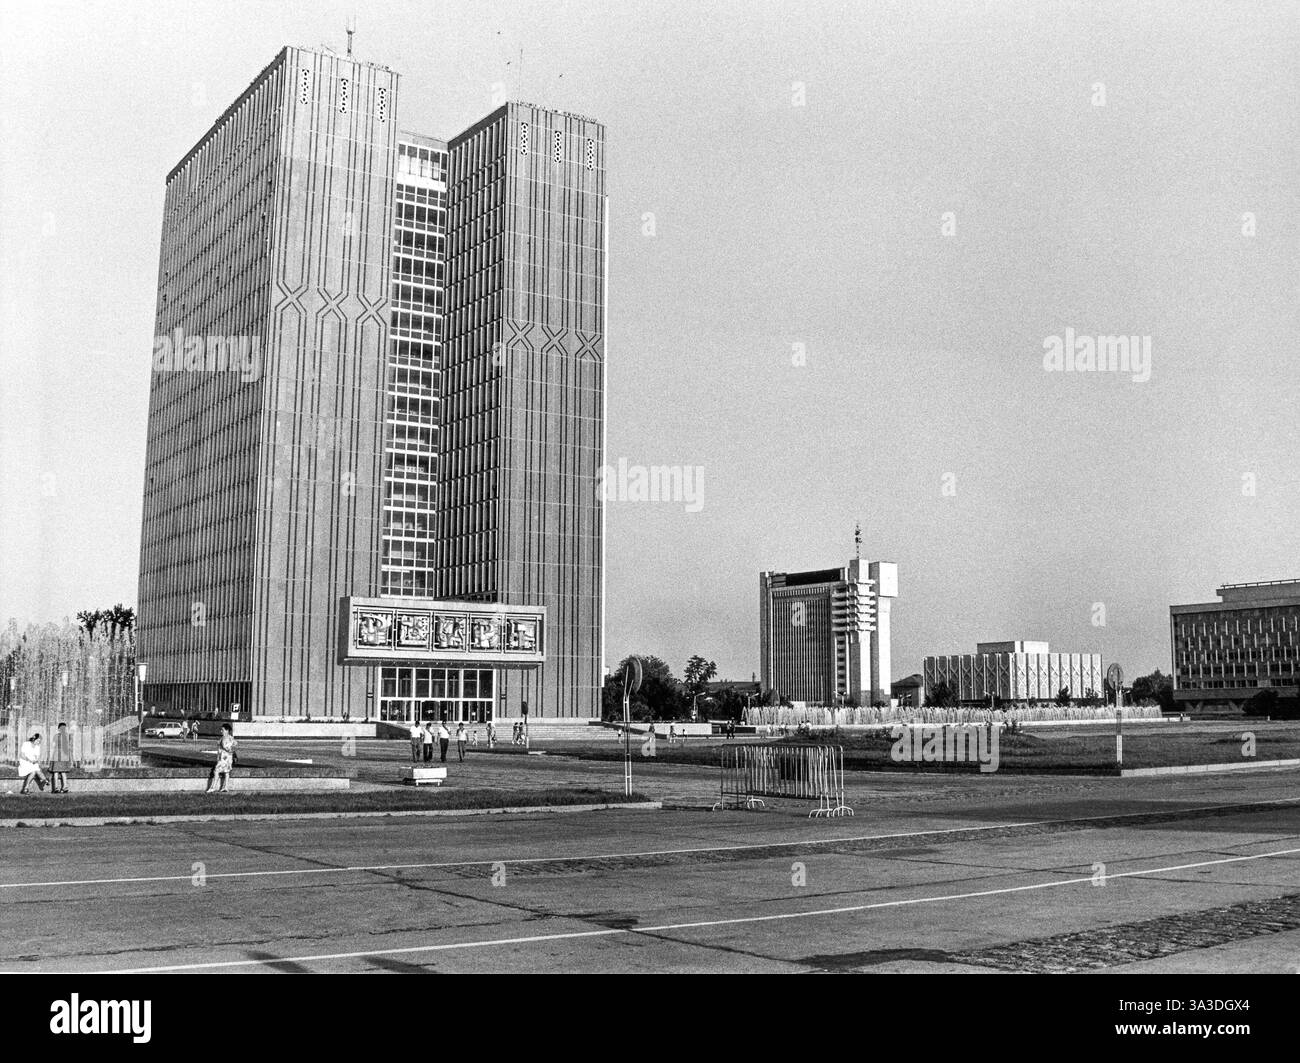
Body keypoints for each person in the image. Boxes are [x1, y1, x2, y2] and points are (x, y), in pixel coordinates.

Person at [205, 724, 237, 794]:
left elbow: (226, 747)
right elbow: (235, 744)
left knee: (216, 771)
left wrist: (226, 749)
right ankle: (225, 787)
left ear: (227, 730)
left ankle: (212, 787)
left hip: (223, 758)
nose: (221, 731)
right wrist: (231, 751)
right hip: (228, 758)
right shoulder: (230, 737)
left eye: (222, 730)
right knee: (227, 772)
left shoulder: (224, 738)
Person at [50, 722, 74, 794]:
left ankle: (56, 788)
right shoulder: (68, 736)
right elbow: (70, 747)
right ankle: (65, 787)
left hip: (57, 755)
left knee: (56, 772)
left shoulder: (56, 736)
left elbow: (53, 746)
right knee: (63, 772)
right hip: (64, 755)